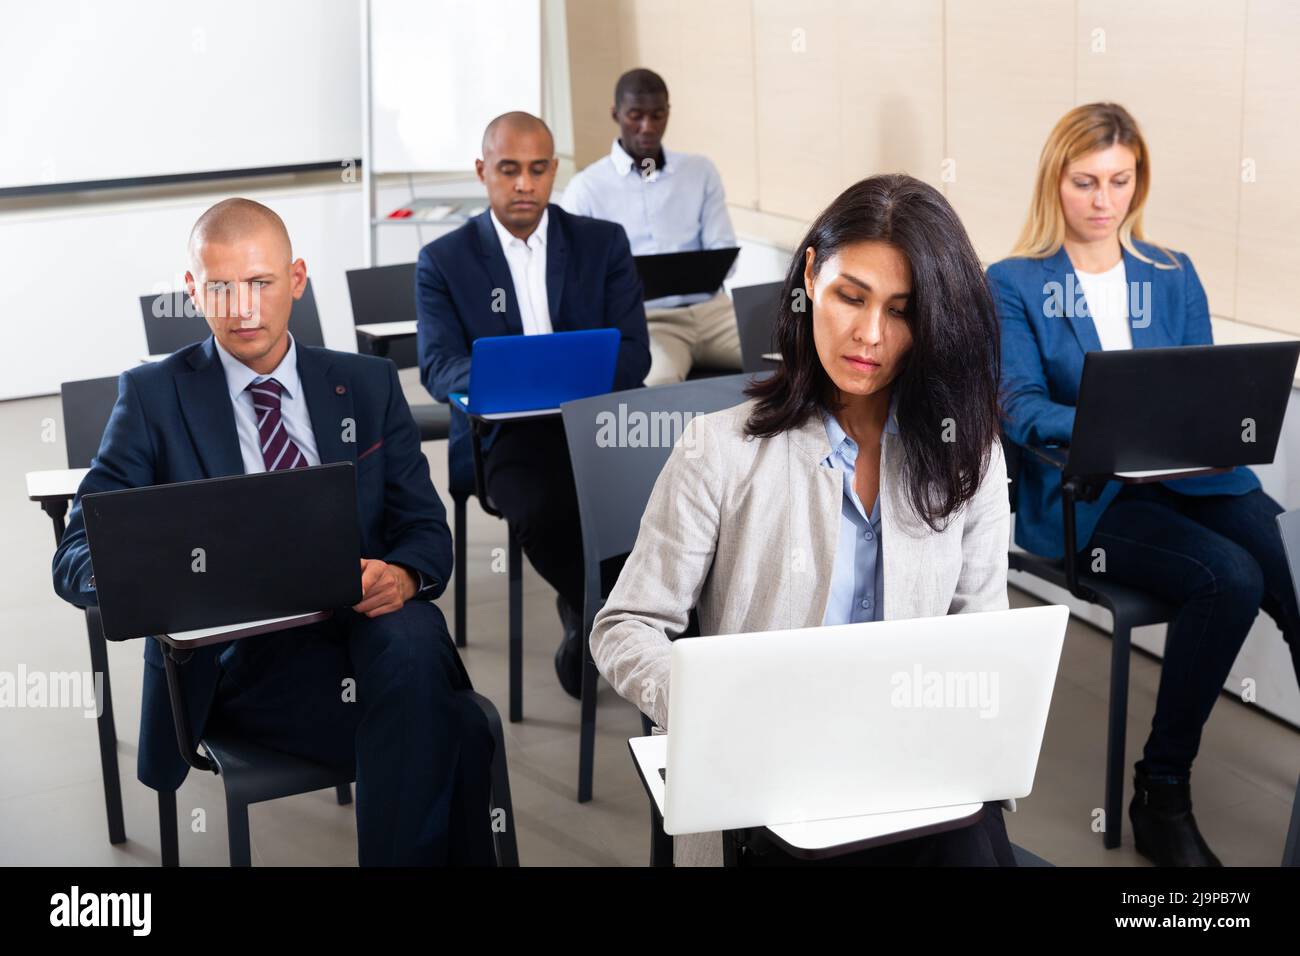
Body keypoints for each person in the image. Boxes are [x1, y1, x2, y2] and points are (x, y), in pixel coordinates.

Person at [52, 198, 494, 866]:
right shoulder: (151, 397)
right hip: (241, 670)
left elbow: (426, 532)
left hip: (363, 644)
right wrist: (157, 578)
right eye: (220, 288)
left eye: (259, 282)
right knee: (454, 722)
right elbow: (75, 553)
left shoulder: (366, 384)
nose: (242, 309)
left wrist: (402, 575)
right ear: (193, 290)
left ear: (297, 279)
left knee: (410, 627)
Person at [591, 174, 1013, 866]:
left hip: (912, 767)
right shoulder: (719, 451)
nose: (869, 335)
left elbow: (985, 634)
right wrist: (713, 713)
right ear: (812, 275)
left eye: (902, 311)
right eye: (851, 296)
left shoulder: (969, 454)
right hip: (770, 788)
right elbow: (625, 626)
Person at [990, 102, 1300, 867]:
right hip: (1086, 494)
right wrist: (1111, 427)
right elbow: (1020, 409)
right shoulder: (1015, 283)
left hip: (1191, 481)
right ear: (1054, 183)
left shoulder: (1172, 273)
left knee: (1291, 566)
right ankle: (1162, 794)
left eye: (1120, 181)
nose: (1104, 202)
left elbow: (1196, 389)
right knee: (1230, 577)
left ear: (1139, 181)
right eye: (1086, 182)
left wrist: (1204, 430)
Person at [417, 112, 651, 697]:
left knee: (662, 500)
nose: (525, 184)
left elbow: (636, 354)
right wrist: (510, 378)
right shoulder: (445, 260)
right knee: (544, 508)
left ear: (554, 172)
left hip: (598, 421)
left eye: (538, 169)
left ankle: (607, 623)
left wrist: (569, 381)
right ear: (483, 171)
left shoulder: (602, 243)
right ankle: (614, 620)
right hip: (505, 434)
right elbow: (438, 364)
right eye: (509, 169)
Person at [560, 68, 742, 386]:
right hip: (649, 320)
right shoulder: (586, 188)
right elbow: (575, 279)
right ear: (616, 114)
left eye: (658, 115)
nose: (648, 127)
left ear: (668, 113)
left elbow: (725, 255)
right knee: (657, 384)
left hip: (714, 312)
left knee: (789, 356)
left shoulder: (700, 172)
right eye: (636, 116)